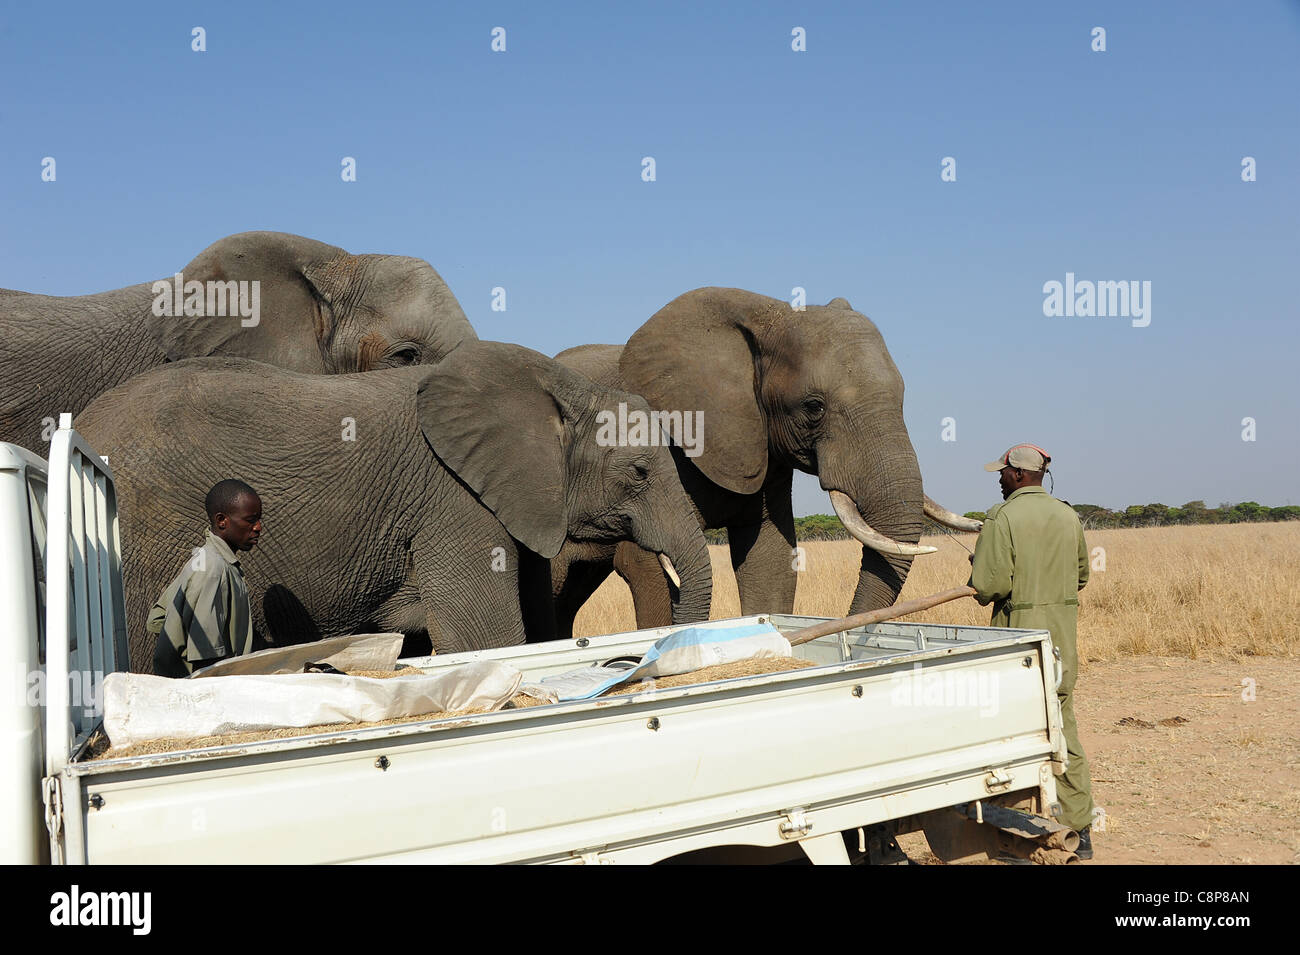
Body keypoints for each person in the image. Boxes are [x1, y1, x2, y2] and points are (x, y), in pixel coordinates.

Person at [967, 444, 1095, 859]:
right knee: (1064, 731)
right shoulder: (1067, 514)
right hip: (1062, 641)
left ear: (1020, 475)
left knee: (1014, 734)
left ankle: (1021, 826)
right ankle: (1079, 827)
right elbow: (1081, 575)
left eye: (1003, 472)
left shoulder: (1001, 516)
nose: (999, 478)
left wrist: (981, 562)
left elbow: (988, 587)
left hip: (1017, 645)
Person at [148, 479, 262, 677]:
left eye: (259, 519)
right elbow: (207, 657)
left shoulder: (209, 559)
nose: (258, 527)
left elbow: (157, 618)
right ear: (221, 521)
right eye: (250, 520)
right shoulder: (212, 569)